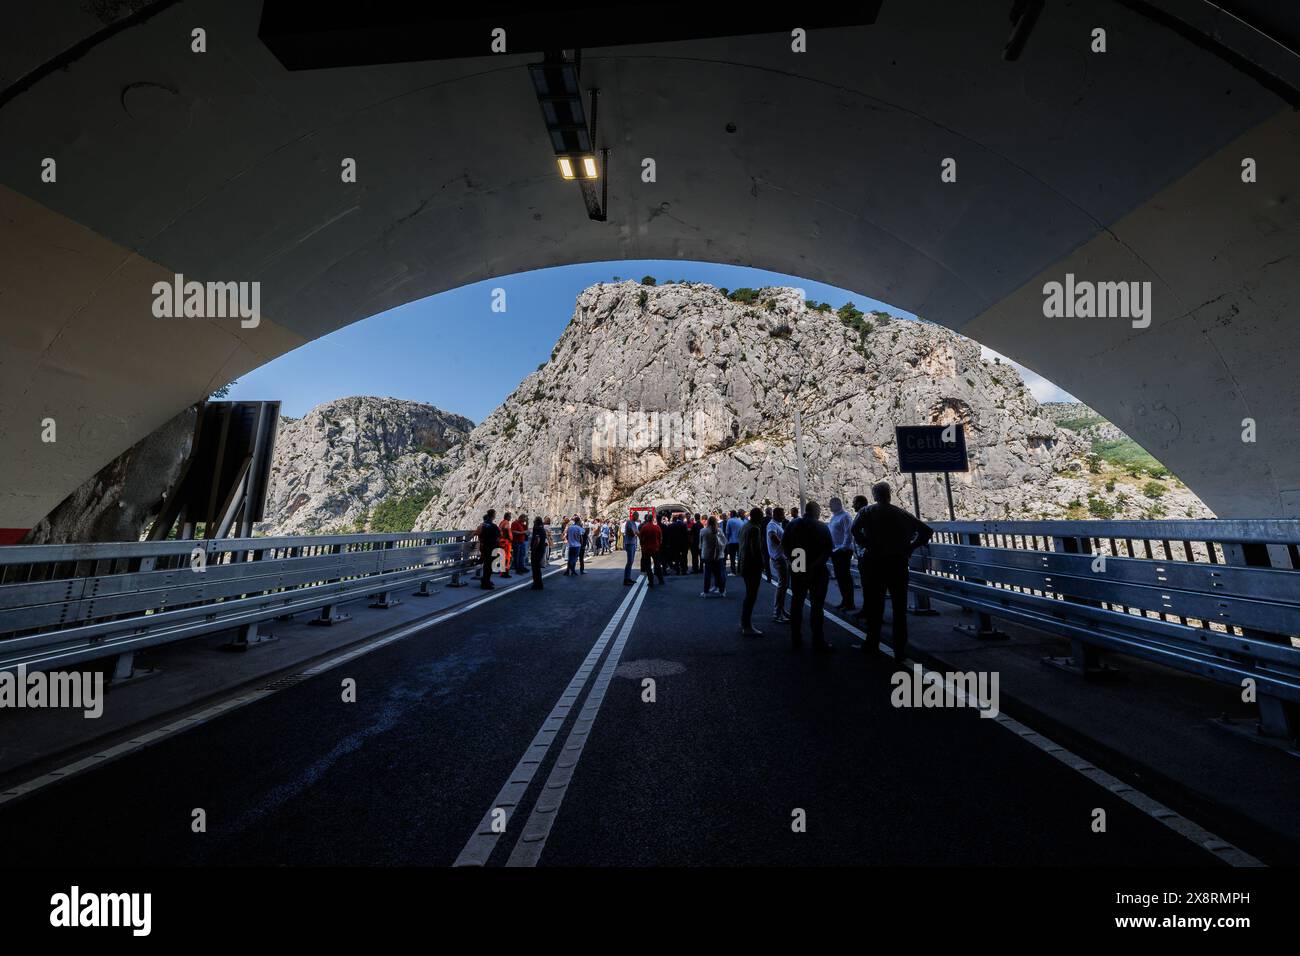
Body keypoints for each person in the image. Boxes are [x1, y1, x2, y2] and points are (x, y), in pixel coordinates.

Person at [856, 482, 934, 662]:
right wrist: (910, 547)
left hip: (874, 563)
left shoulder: (866, 512)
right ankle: (900, 649)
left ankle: (872, 643)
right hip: (898, 564)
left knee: (875, 605)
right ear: (890, 495)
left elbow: (854, 530)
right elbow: (926, 531)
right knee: (900, 608)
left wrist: (866, 544)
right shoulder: (901, 513)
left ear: (875, 495)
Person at [783, 500, 833, 652]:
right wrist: (812, 566)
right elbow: (827, 550)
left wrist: (794, 562)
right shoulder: (822, 527)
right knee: (817, 607)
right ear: (816, 512)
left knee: (797, 603)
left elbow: (785, 545)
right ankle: (818, 641)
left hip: (798, 567)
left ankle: (795, 638)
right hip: (817, 571)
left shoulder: (792, 525)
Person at [738, 507, 766, 635]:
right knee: (751, 596)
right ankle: (747, 626)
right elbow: (756, 550)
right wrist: (763, 565)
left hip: (744, 564)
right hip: (752, 567)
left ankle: (744, 622)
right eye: (761, 516)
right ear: (757, 517)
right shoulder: (755, 529)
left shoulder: (745, 526)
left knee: (749, 595)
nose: (762, 518)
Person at [827, 497, 856, 612]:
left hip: (843, 551)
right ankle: (845, 601)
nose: (829, 506)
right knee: (840, 577)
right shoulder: (834, 517)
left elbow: (848, 534)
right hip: (835, 551)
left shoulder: (845, 516)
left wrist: (843, 548)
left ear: (837, 504)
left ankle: (850, 603)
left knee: (845, 577)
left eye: (831, 504)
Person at [767, 506, 790, 623]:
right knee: (782, 586)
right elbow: (772, 537)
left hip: (781, 557)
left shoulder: (777, 524)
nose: (784, 517)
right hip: (779, 558)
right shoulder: (772, 525)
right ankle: (777, 613)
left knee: (784, 586)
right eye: (782, 515)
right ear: (775, 515)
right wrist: (784, 546)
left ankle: (781, 610)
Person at [699, 515, 727, 596]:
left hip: (707, 555)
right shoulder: (719, 531)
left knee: (707, 574)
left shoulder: (703, 531)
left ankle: (705, 591)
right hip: (718, 555)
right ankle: (722, 591)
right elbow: (724, 542)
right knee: (720, 573)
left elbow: (701, 544)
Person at [478, 510, 500, 590]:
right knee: (489, 566)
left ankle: (485, 580)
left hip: (484, 546)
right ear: (493, 515)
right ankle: (486, 583)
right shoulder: (493, 526)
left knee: (486, 565)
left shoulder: (483, 524)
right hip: (491, 547)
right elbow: (498, 538)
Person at [639, 516, 664, 587]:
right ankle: (661, 580)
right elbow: (660, 538)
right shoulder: (657, 527)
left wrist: (642, 546)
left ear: (647, 519)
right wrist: (658, 545)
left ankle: (651, 581)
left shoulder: (644, 528)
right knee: (657, 565)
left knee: (648, 566)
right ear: (653, 520)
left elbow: (641, 538)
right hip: (655, 548)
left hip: (646, 549)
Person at [529, 517, 547, 589]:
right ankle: (539, 583)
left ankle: (536, 584)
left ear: (536, 522)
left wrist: (533, 548)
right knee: (537, 568)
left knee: (535, 568)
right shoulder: (542, 529)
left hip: (537, 551)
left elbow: (537, 539)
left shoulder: (537, 529)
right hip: (541, 550)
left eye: (534, 521)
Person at [622, 513, 639, 585]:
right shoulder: (629, 522)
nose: (637, 518)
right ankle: (626, 579)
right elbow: (632, 533)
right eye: (637, 516)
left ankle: (628, 578)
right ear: (634, 516)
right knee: (629, 561)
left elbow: (636, 532)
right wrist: (635, 533)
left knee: (631, 562)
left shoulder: (634, 523)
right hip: (629, 543)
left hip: (632, 543)